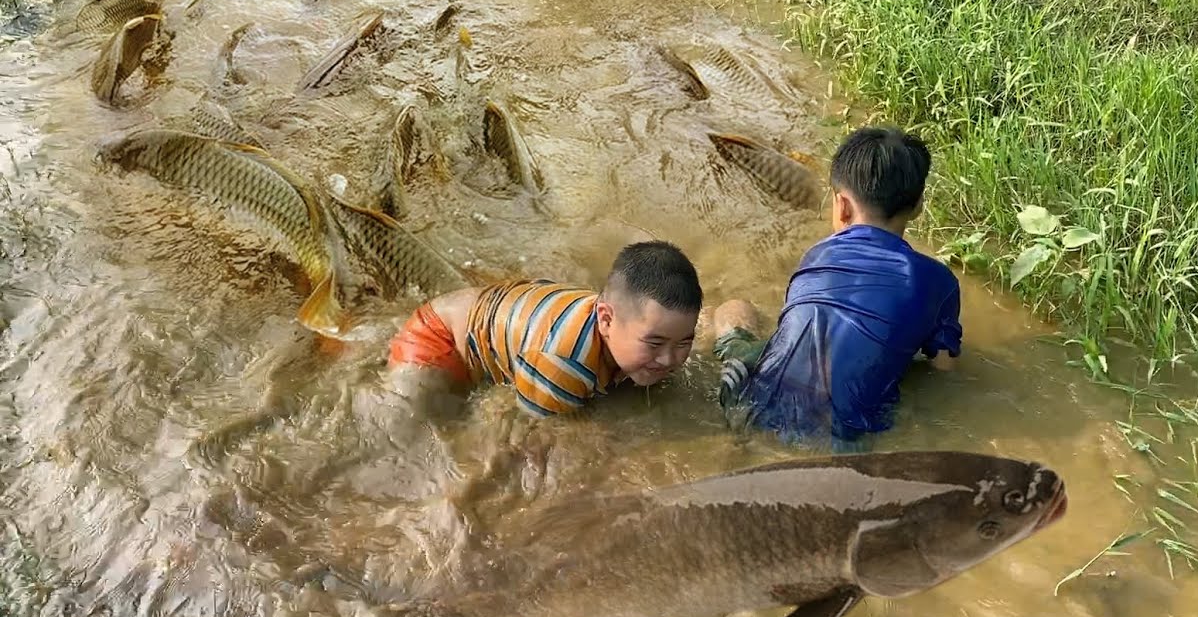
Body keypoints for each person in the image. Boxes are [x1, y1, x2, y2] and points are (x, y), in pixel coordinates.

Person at [711, 125, 963, 452]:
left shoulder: (816, 255)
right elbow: (943, 369)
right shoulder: (939, 281)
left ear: (841, 206)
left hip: (751, 403)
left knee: (734, 308)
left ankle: (725, 343)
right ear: (918, 206)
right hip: (845, 442)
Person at [384, 240, 703, 418]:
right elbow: (532, 435)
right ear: (605, 320)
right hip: (438, 336)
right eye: (655, 343)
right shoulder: (563, 362)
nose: (669, 359)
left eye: (684, 342)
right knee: (420, 418)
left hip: (499, 309)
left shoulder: (628, 326)